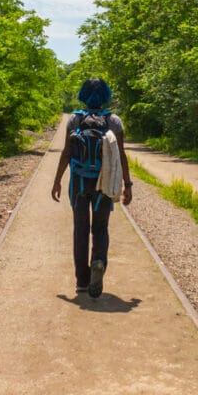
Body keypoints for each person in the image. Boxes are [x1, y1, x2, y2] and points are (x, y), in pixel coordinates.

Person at [52, 78, 132, 298]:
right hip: (103, 184)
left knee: (80, 229)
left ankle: (82, 281)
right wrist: (128, 185)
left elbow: (67, 153)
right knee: (100, 228)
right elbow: (121, 156)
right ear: (106, 96)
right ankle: (98, 262)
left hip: (78, 183)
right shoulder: (114, 121)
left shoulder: (75, 120)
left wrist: (57, 180)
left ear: (83, 95)